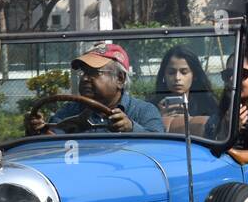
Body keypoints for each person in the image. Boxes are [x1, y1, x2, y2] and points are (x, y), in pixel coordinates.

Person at [25, 42, 163, 135]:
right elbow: (51, 146)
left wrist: (131, 128)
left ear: (120, 79)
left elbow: (160, 150)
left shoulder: (144, 111)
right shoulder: (70, 111)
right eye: (83, 72)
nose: (84, 78)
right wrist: (38, 129)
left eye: (94, 72)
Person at [152, 45, 218, 117]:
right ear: (164, 75)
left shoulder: (207, 106)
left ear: (194, 75)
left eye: (184, 72)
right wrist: (159, 120)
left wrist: (189, 121)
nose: (177, 78)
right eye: (171, 72)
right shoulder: (150, 108)